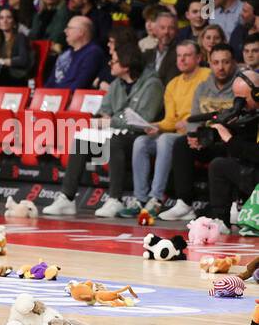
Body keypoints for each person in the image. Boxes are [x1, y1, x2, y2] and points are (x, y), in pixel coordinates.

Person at [44, 38, 164, 217]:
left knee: (114, 141)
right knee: (82, 139)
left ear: (126, 64)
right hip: (117, 134)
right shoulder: (116, 84)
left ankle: (115, 199)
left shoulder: (152, 84)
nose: (110, 64)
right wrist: (112, 120)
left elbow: (143, 120)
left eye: (114, 61)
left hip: (141, 138)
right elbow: (102, 113)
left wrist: (113, 120)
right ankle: (67, 198)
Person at [135, 43, 236, 216]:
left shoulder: (235, 84)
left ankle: (234, 204)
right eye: (216, 62)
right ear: (210, 63)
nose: (220, 67)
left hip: (228, 138)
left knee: (170, 141)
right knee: (176, 144)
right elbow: (188, 117)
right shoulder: (196, 86)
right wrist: (192, 135)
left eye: (225, 62)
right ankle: (181, 203)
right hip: (205, 137)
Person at [120, 40, 208, 214]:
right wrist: (156, 126)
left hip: (197, 132)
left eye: (187, 55)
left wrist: (193, 122)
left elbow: (211, 108)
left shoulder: (207, 76)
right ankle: (140, 199)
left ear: (198, 58)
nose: (182, 60)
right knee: (141, 142)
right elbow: (170, 120)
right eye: (179, 56)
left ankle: (157, 198)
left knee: (166, 140)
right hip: (177, 133)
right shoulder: (173, 84)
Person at [199, 73, 259, 230]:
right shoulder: (250, 114)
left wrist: (229, 138)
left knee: (219, 165)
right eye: (236, 97)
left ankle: (229, 215)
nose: (239, 103)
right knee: (220, 162)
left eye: (243, 98)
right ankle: (224, 217)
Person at [46, 16, 104, 92]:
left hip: (70, 99)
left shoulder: (93, 53)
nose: (65, 31)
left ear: (81, 32)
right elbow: (50, 81)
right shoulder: (65, 54)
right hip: (54, 98)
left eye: (69, 28)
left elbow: (80, 85)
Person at [142, 7, 181, 85]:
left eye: (171, 28)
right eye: (162, 28)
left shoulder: (180, 54)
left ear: (177, 31)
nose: (166, 32)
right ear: (155, 30)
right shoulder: (147, 54)